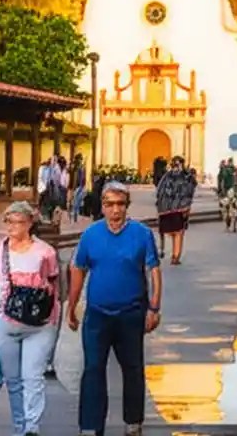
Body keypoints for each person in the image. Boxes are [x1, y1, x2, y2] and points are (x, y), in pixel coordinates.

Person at [67, 182, 162, 436]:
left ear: (127, 207)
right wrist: (72, 305)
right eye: (109, 204)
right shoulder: (91, 235)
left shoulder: (141, 234)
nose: (115, 210)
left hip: (131, 313)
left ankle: (133, 422)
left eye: (120, 204)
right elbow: (78, 268)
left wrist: (154, 307)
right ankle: (90, 425)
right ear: (102, 207)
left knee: (132, 368)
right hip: (97, 314)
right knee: (93, 369)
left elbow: (153, 271)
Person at [0, 201, 60, 436]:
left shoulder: (45, 251)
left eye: (19, 222)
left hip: (40, 324)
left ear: (29, 223)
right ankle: (20, 426)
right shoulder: (1, 250)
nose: (13, 226)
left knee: (33, 378)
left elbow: (54, 287)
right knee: (13, 381)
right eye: (9, 221)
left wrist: (54, 317)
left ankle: (31, 427)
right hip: (6, 320)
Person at [154, 157, 195, 264]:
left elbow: (159, 191)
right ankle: (175, 256)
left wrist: (160, 207)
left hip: (166, 209)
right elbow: (189, 190)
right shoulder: (185, 177)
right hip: (178, 208)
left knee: (172, 232)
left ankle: (171, 253)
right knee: (178, 233)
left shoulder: (166, 176)